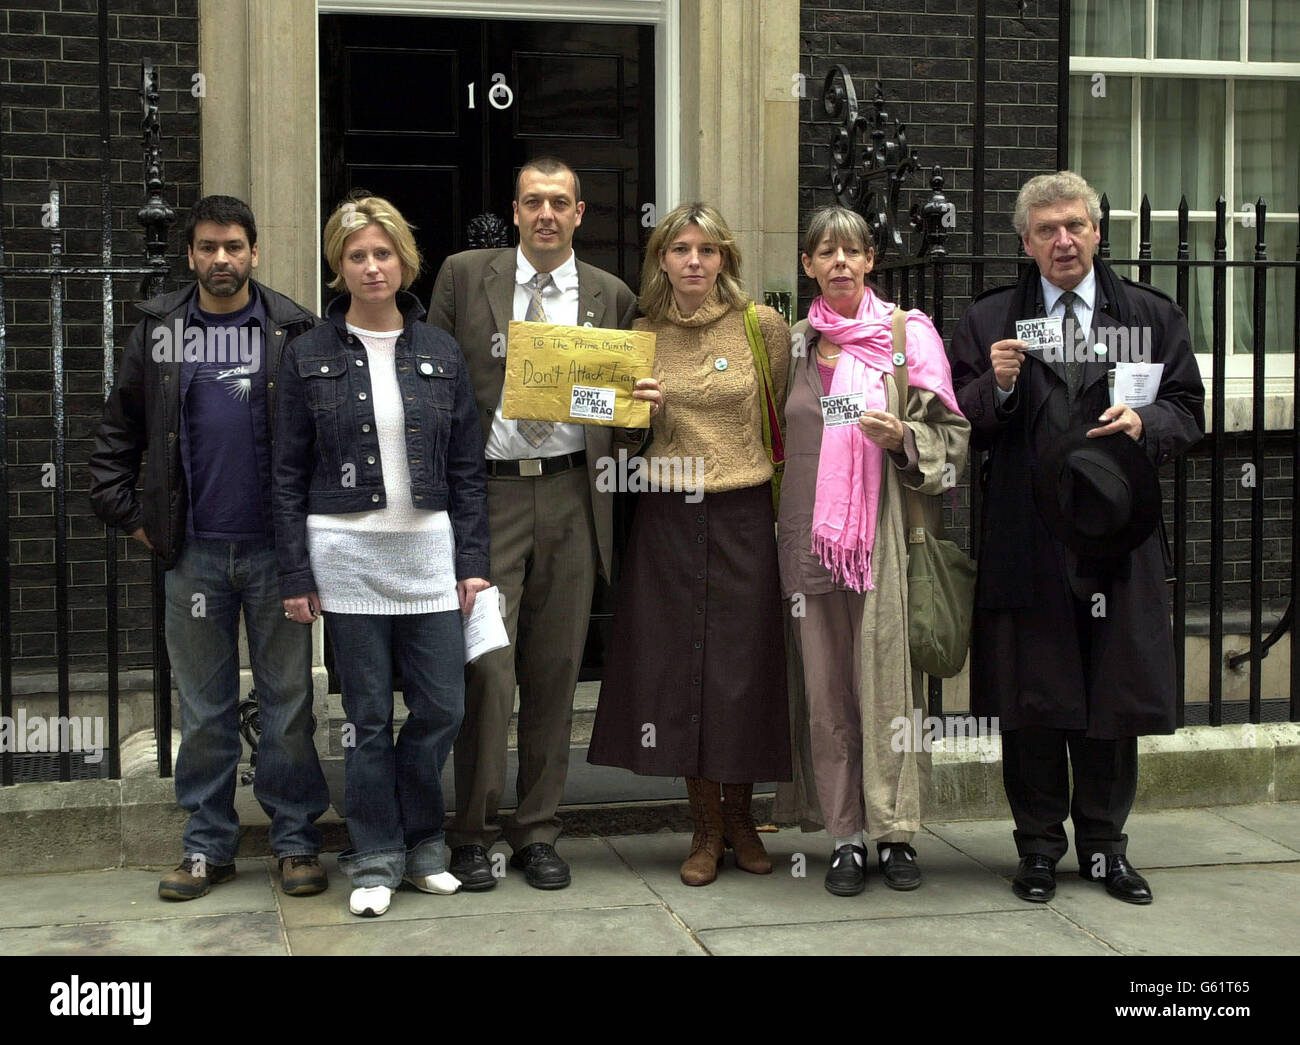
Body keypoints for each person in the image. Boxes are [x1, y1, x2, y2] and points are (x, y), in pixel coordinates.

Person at [950, 170, 1204, 905]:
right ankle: (1037, 847)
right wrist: (995, 388)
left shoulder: (1151, 315)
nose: (1063, 240)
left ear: (1097, 230)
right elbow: (959, 418)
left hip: (1115, 536)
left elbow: (1187, 406)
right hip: (1026, 536)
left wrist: (1146, 424)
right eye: (1047, 230)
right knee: (1034, 699)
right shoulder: (993, 319)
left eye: (1076, 225)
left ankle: (1104, 847)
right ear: (1025, 243)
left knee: (1109, 697)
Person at [89, 195, 331, 901]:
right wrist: (140, 521)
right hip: (192, 553)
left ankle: (294, 841)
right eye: (206, 247)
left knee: (288, 702)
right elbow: (117, 436)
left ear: (255, 252)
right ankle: (207, 845)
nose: (220, 259)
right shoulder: (160, 331)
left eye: (232, 246)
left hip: (276, 555)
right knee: (203, 706)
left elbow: (322, 444)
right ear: (189, 255)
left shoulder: (292, 330)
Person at [428, 157, 660, 891]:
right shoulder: (466, 277)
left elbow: (620, 426)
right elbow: (430, 382)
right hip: (489, 496)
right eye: (534, 201)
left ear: (581, 213)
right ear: (517, 208)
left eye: (560, 202)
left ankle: (537, 831)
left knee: (555, 672)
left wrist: (640, 414)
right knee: (487, 669)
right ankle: (470, 830)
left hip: (570, 497)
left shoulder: (610, 295)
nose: (546, 214)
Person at [273, 195, 490, 917]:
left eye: (383, 252)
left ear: (404, 260)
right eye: (356, 255)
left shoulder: (440, 350)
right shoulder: (307, 354)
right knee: (366, 716)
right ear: (339, 266)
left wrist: (472, 560)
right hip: (347, 558)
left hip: (429, 557)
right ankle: (375, 851)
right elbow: (286, 472)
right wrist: (296, 572)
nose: (372, 266)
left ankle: (424, 840)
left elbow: (465, 468)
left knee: (441, 706)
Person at [587, 202, 792, 887]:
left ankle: (742, 816)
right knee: (680, 669)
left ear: (727, 258)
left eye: (708, 249)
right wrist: (632, 417)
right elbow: (617, 437)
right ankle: (704, 827)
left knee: (741, 669)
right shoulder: (638, 331)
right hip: (668, 515)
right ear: (662, 260)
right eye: (681, 249)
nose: (695, 260)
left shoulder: (763, 327)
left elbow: (781, 415)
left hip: (741, 514)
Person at [775, 206, 970, 896]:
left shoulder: (904, 337)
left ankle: (896, 831)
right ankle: (846, 835)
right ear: (807, 265)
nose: (838, 263)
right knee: (827, 690)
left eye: (850, 251)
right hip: (807, 539)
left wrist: (903, 442)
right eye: (824, 252)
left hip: (881, 537)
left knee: (888, 682)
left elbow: (951, 439)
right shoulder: (796, 344)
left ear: (870, 262)